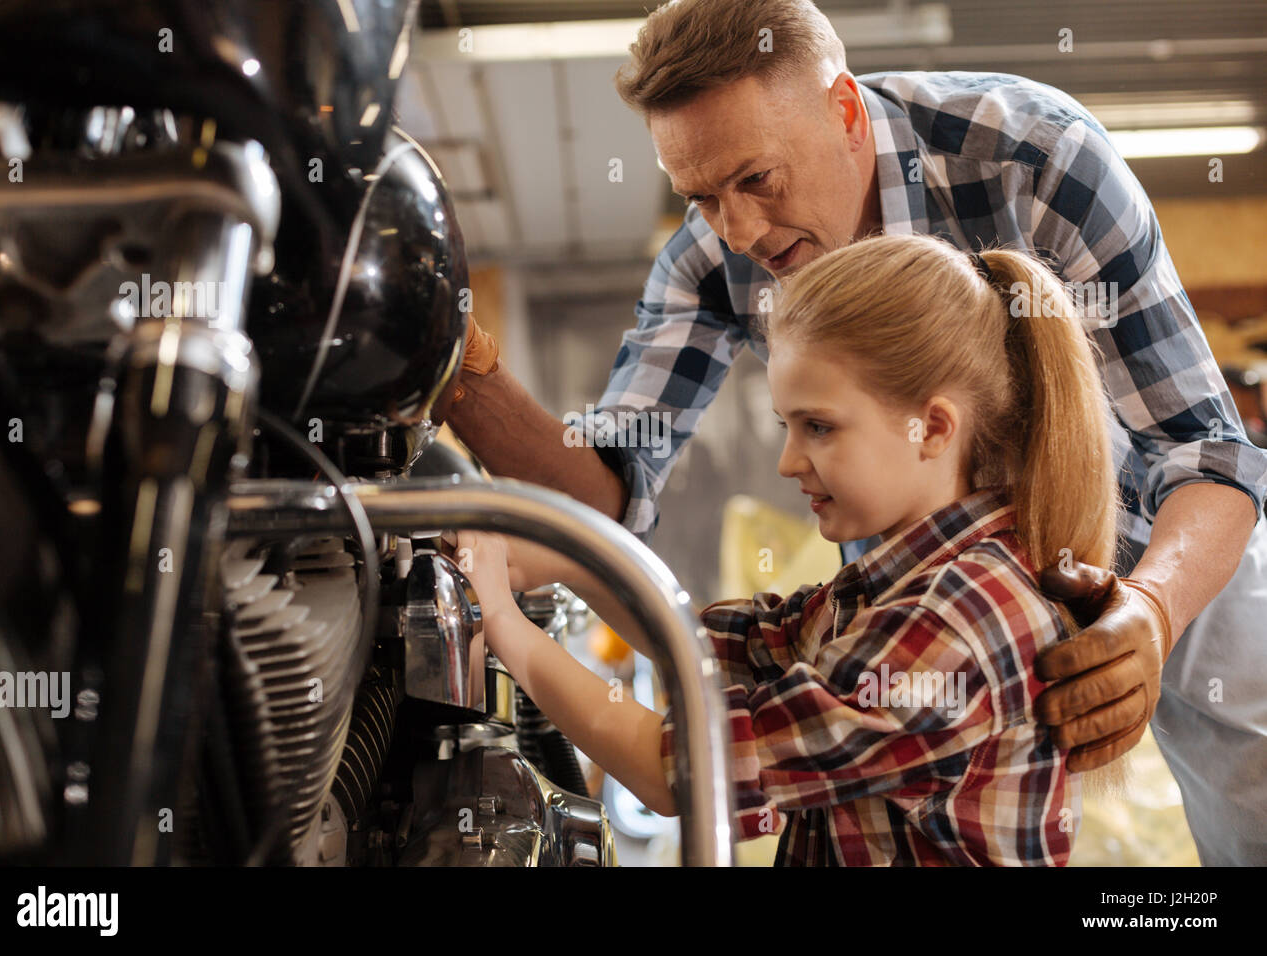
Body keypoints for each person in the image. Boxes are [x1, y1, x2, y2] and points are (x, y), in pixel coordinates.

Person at [443, 0, 1267, 863]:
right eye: (700, 196)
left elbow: (1206, 451)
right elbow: (611, 487)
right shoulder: (712, 249)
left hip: (1164, 544)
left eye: (758, 180)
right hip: (938, 571)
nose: (740, 232)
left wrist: (1153, 610)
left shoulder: (1033, 154)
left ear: (843, 111)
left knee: (1249, 774)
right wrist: (460, 376)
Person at [458, 235, 1136, 865]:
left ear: (930, 428)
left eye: (819, 427)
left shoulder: (961, 618)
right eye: (788, 425)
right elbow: (696, 647)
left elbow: (681, 770)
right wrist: (571, 561)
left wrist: (507, 626)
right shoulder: (892, 589)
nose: (788, 461)